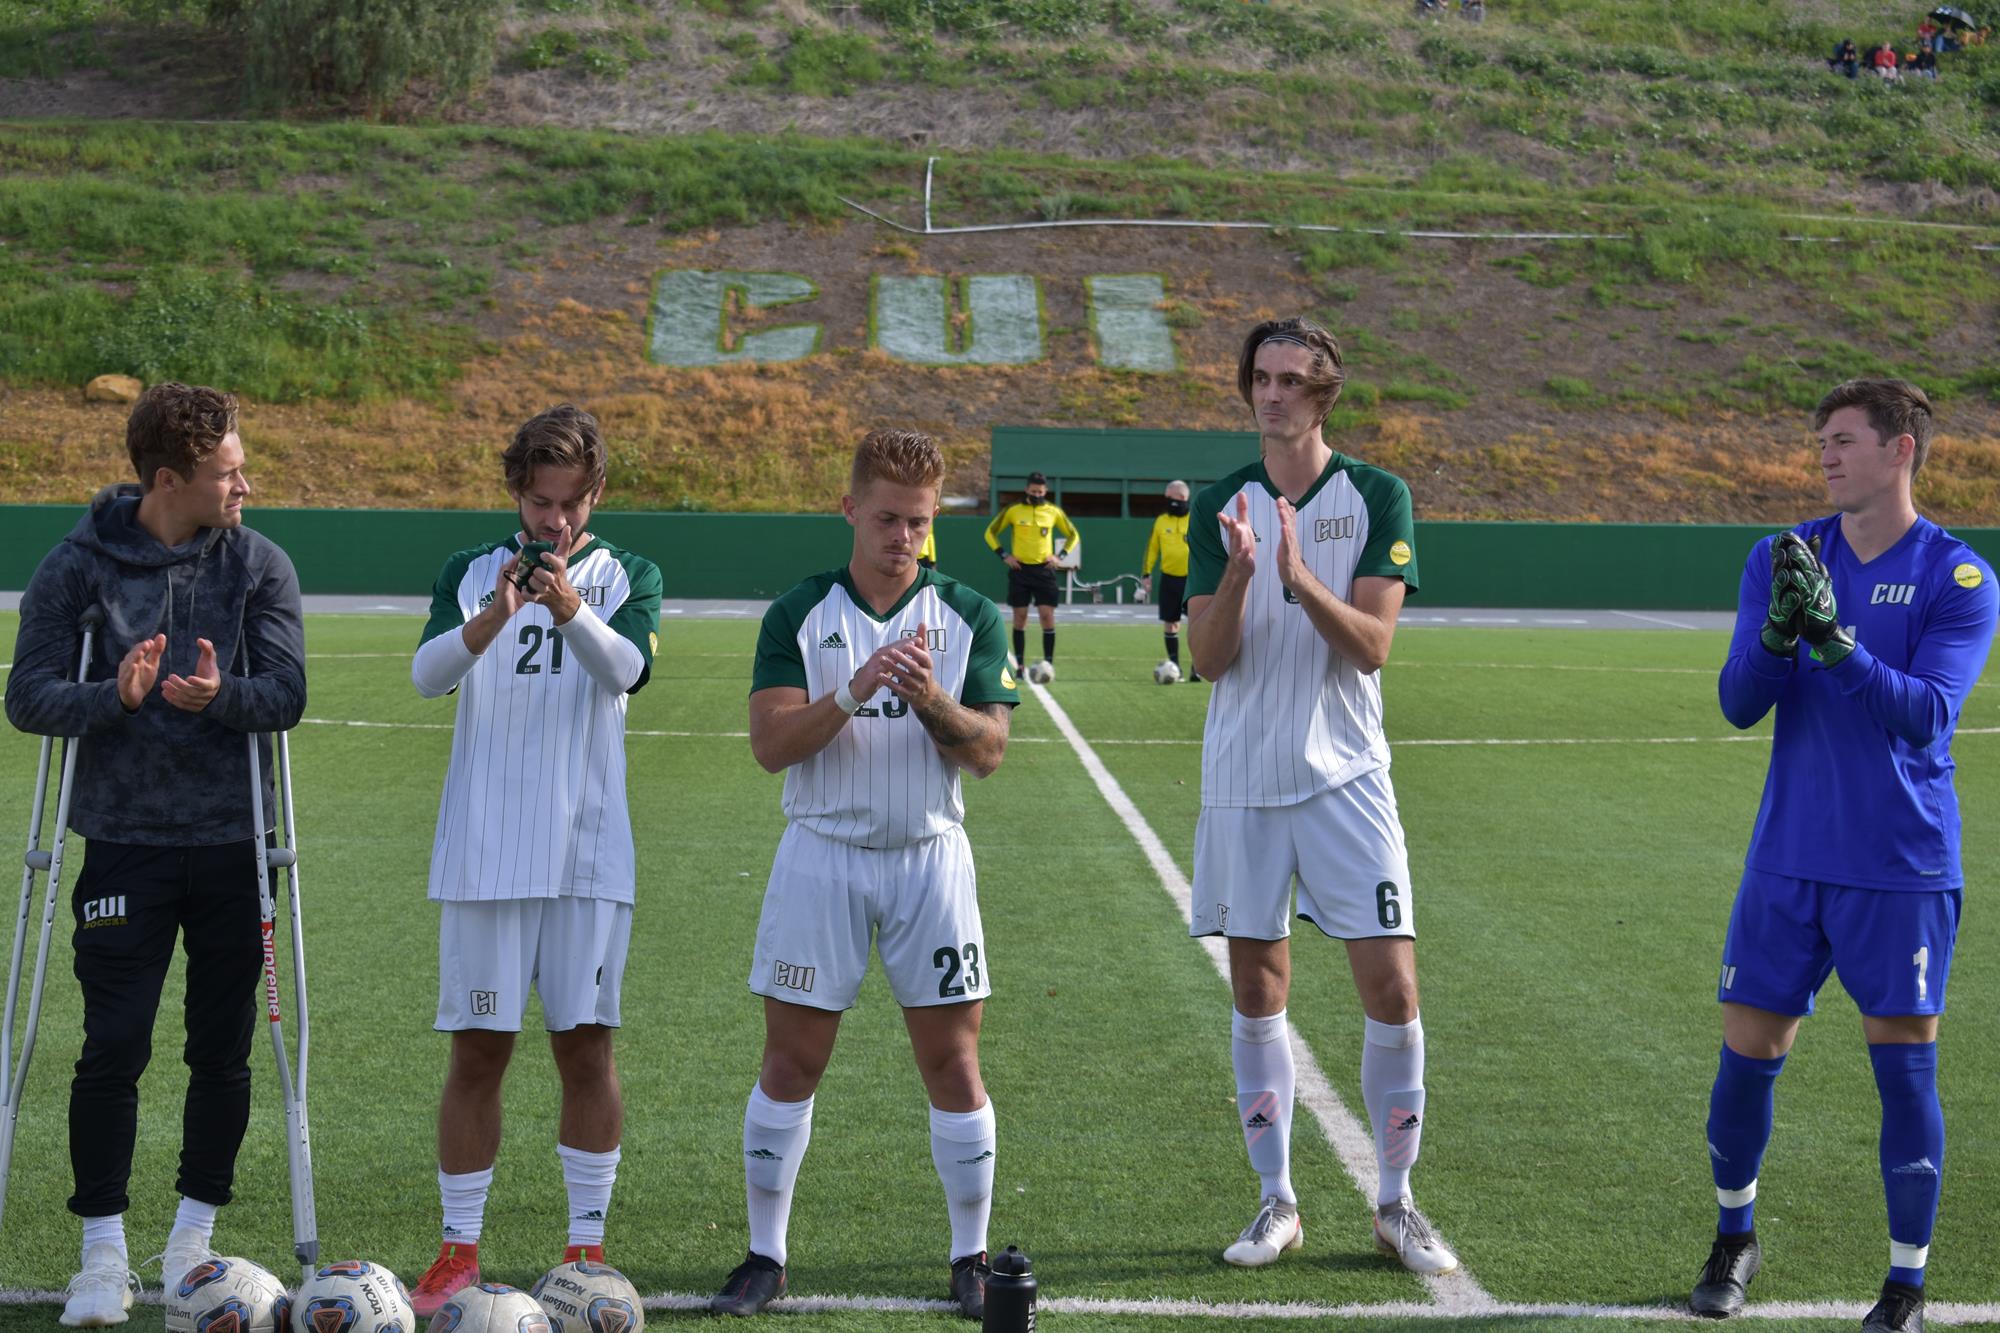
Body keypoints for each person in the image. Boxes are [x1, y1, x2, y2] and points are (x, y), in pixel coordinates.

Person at [1694, 379, 1995, 1333]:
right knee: (1747, 1057)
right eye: (1820, 440)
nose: (1824, 454)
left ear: (1901, 450)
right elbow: (1740, 702)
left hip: (1900, 866)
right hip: (1787, 857)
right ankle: (1734, 1235)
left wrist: (1831, 641)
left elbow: (1926, 714)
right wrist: (1783, 635)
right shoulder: (1782, 555)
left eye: (1844, 439)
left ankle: (1905, 1281)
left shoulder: (1960, 578)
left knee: (1903, 1071)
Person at [6, 383, 306, 1327]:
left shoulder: (259, 563)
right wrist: (117, 700)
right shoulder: (80, 565)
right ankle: (102, 1251)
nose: (244, 484)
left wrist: (218, 695)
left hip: (232, 845)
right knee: (114, 1046)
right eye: (227, 473)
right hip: (124, 845)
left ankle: (191, 1240)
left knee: (222, 1052)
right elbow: (28, 696)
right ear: (170, 478)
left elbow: (287, 692)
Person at [718, 429, 1018, 1320]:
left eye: (920, 523)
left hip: (932, 859)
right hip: (823, 854)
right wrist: (851, 689)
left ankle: (969, 1255)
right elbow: (771, 746)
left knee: (953, 1061)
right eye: (887, 517)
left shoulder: (968, 614)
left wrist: (927, 697)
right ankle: (765, 1253)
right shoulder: (801, 614)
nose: (903, 537)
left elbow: (990, 753)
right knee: (792, 1058)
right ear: (850, 508)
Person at [1184, 319, 1455, 1278]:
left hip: (1347, 776)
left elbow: (1375, 645)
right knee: (1259, 992)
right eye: (1261, 378)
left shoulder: (1379, 494)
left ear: (1325, 393)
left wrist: (1297, 575)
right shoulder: (1219, 503)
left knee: (1394, 987)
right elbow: (1205, 660)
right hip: (1246, 780)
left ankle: (1396, 1201)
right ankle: (1277, 1201)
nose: (1274, 395)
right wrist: (1243, 572)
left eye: (1294, 380)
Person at [404, 404, 663, 1315]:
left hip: (588, 854)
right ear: (516, 492)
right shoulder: (471, 572)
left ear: (594, 495)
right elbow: (427, 676)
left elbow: (629, 670)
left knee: (586, 1049)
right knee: (478, 1053)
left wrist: (572, 610)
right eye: (539, 501)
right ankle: (458, 1250)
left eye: (570, 502)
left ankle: (585, 1250)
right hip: (484, 851)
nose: (554, 520)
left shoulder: (625, 573)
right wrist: (492, 619)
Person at [982, 470, 1080, 677]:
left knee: (1047, 616)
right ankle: (1019, 666)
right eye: (1033, 491)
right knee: (1020, 618)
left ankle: (1049, 664)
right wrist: (1004, 555)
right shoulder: (1013, 510)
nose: (1037, 494)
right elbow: (990, 533)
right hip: (1020, 571)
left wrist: (1059, 556)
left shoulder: (1053, 512)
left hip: (1044, 572)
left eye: (1041, 491)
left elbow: (1073, 535)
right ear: (1027, 489)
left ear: (1046, 491)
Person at [1140, 480, 1200, 682]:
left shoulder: (1196, 519)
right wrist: (1146, 574)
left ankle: (1196, 668)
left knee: (1197, 624)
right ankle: (1175, 668)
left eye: (1171, 498)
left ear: (1182, 498)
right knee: (1171, 624)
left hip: (1194, 580)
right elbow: (1152, 549)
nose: (1168, 502)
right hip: (1169, 580)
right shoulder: (1161, 521)